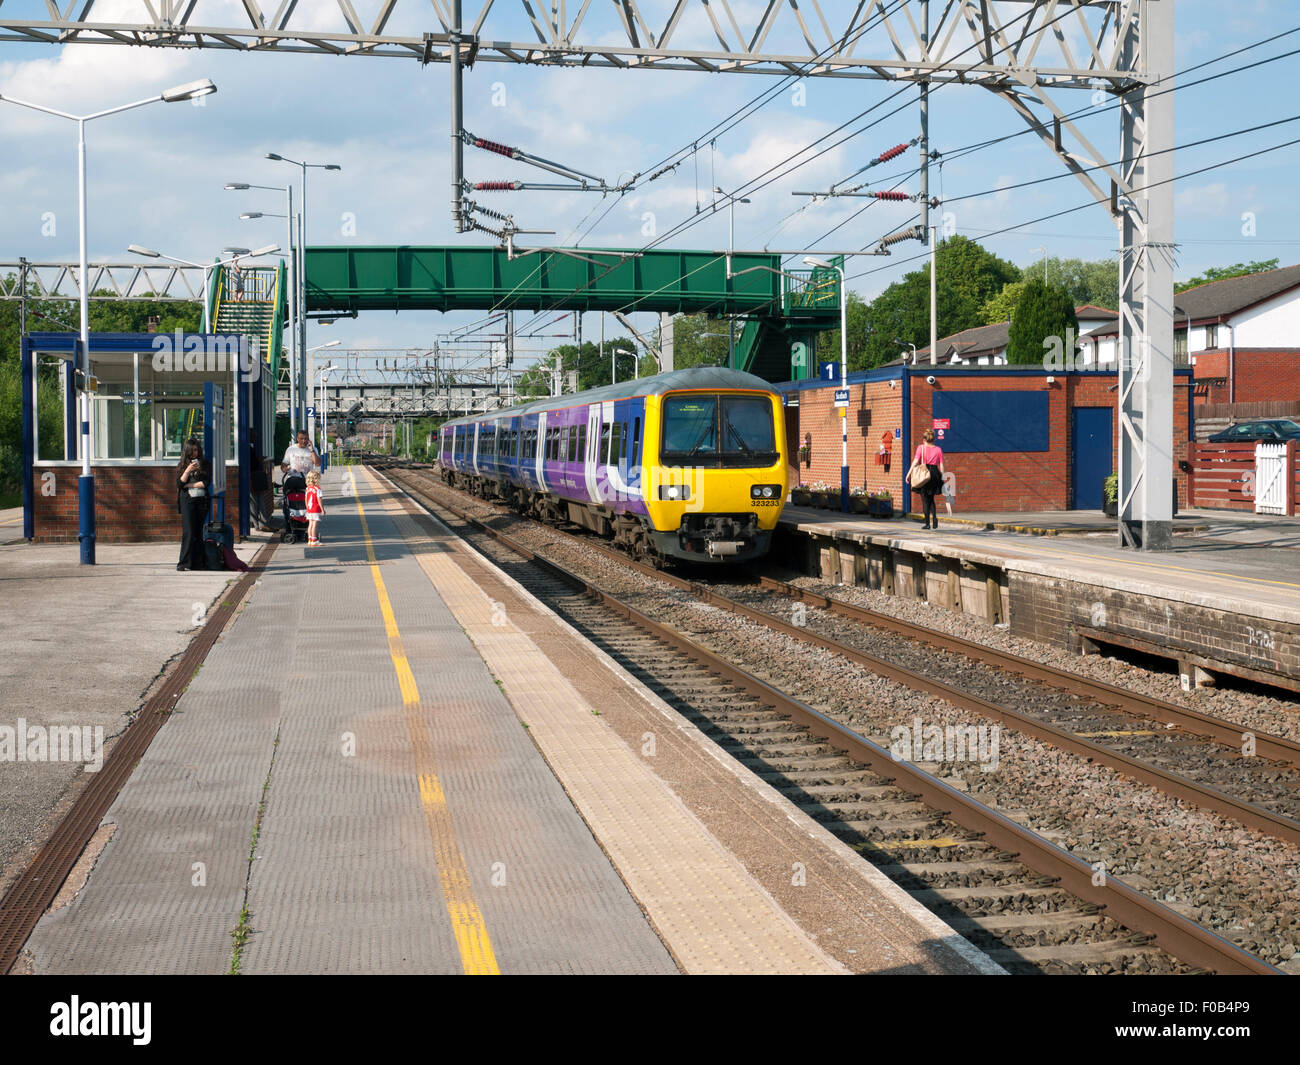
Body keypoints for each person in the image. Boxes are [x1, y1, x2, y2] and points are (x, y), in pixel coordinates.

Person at [176, 439, 210, 570]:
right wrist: (187, 471)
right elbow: (179, 484)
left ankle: (198, 563)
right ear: (188, 451)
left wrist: (188, 484)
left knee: (198, 532)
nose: (195, 453)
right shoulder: (182, 465)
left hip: (201, 501)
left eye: (197, 450)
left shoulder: (205, 464)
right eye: (193, 450)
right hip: (187, 501)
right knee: (188, 532)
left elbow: (205, 483)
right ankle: (184, 563)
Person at [912, 429, 945, 530]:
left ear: (924, 439)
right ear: (933, 439)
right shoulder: (938, 449)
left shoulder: (921, 448)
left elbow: (915, 462)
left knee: (925, 500)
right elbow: (942, 466)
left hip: (924, 473)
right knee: (931, 499)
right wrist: (942, 478)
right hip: (935, 474)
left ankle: (927, 523)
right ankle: (934, 518)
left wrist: (909, 475)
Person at [248, 429, 275, 532]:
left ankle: (260, 523)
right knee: (255, 501)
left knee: (257, 500)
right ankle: (259, 524)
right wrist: (259, 460)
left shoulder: (250, 447)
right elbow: (252, 463)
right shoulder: (249, 448)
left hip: (255, 477)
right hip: (253, 477)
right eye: (254, 436)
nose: (256, 438)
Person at [304, 470, 325, 545]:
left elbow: (306, 500)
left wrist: (307, 509)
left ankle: (309, 539)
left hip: (309, 509)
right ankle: (314, 540)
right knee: (314, 525)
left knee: (310, 525)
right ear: (316, 479)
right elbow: (319, 500)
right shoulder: (317, 489)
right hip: (315, 509)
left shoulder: (307, 489)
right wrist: (322, 509)